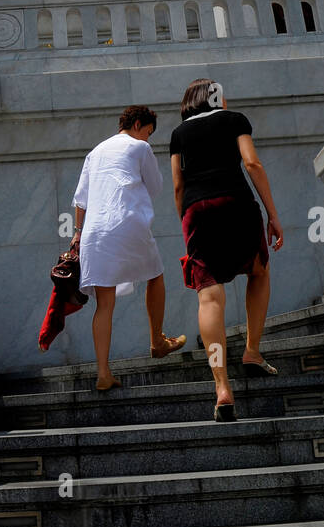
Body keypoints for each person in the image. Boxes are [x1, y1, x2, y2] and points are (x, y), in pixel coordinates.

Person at [170, 79, 283, 421]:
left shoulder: (178, 134)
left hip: (196, 210)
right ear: (215, 98)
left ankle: (222, 386)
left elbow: (178, 184)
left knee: (209, 296)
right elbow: (252, 164)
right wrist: (272, 215)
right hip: (236, 204)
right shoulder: (234, 119)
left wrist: (185, 220)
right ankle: (251, 351)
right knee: (258, 271)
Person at [72, 106, 186, 391]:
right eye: (147, 133)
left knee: (104, 304)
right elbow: (156, 186)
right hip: (126, 223)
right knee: (155, 274)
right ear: (138, 125)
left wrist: (76, 233)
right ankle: (157, 340)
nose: (147, 139)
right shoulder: (139, 148)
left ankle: (103, 372)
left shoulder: (95, 152)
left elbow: (81, 200)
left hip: (93, 234)